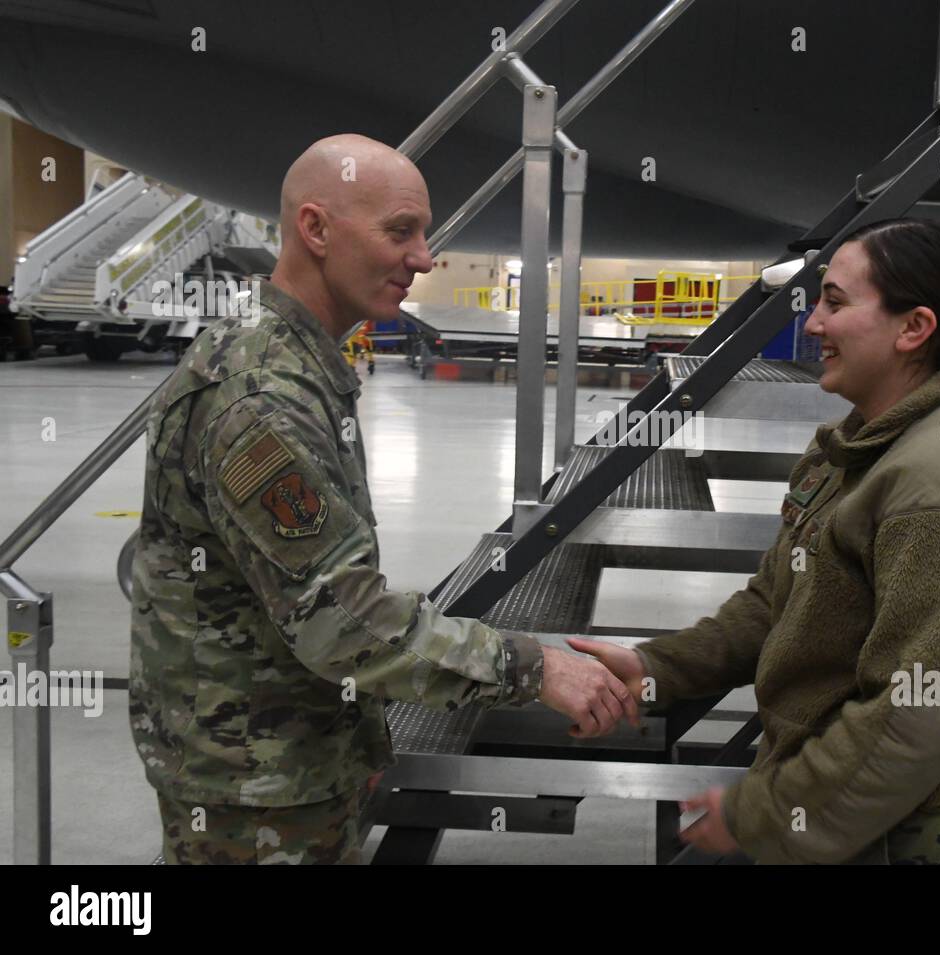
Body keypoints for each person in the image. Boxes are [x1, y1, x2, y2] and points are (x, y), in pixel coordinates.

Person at [129, 133, 635, 865]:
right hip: (255, 789)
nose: (424, 258)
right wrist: (535, 667)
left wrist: (359, 734)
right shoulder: (262, 394)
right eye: (401, 231)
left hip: (285, 760)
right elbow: (340, 618)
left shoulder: (294, 361)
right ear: (315, 229)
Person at [572, 218, 940, 864]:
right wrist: (660, 666)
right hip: (849, 814)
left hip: (912, 838)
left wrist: (761, 813)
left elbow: (918, 717)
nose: (815, 325)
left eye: (835, 302)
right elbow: (775, 605)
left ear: (914, 328)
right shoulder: (852, 452)